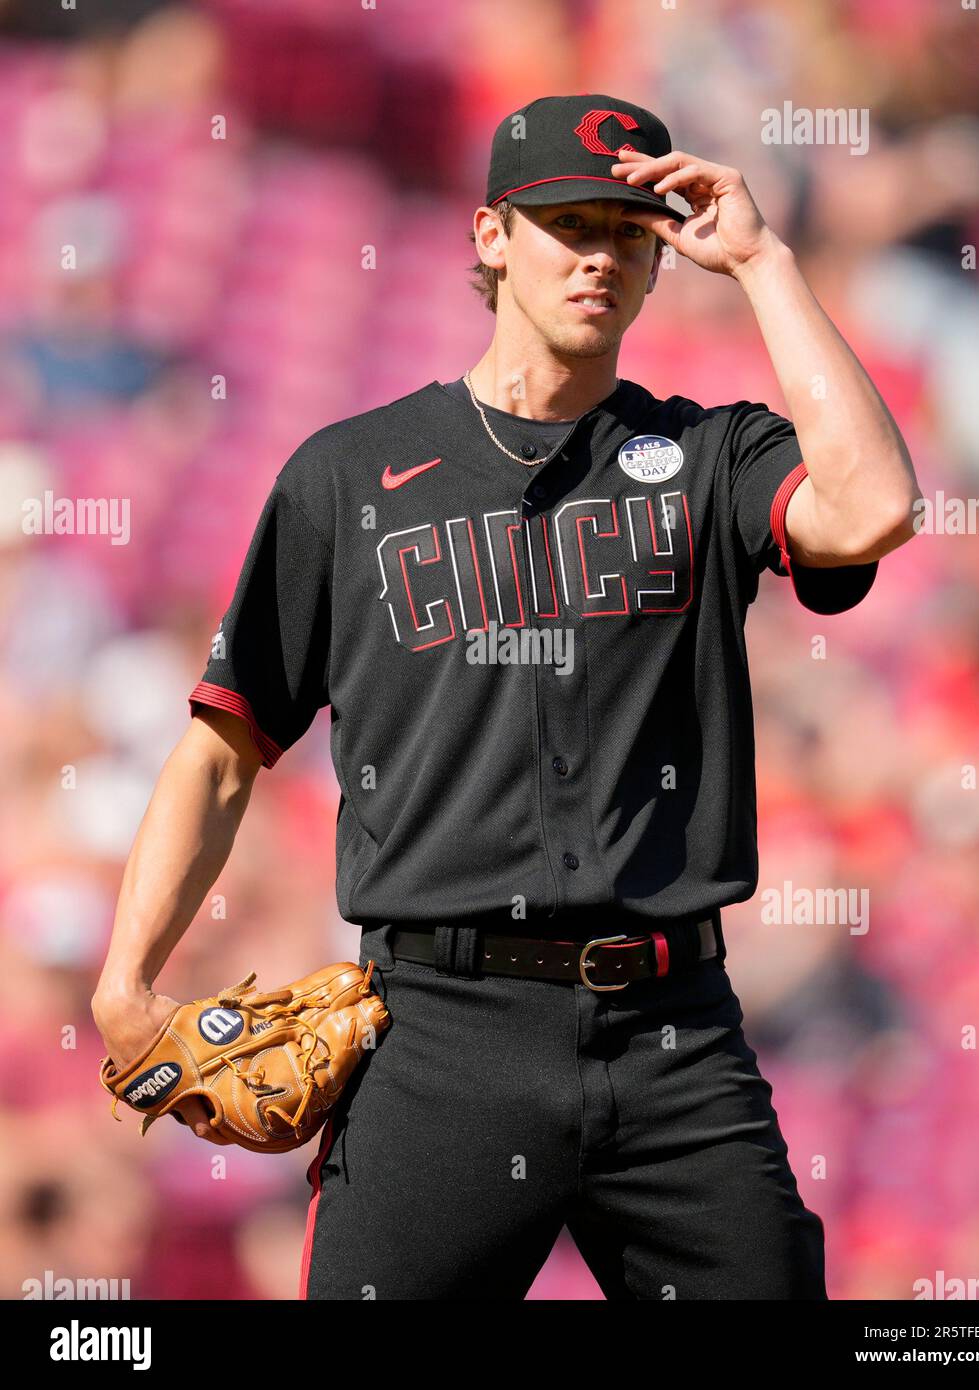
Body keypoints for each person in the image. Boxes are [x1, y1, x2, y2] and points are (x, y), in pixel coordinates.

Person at [92, 94, 922, 1300]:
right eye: (563, 221)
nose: (597, 252)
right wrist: (125, 984)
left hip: (671, 1032)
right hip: (440, 1031)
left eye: (627, 230)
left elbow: (871, 508)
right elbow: (223, 750)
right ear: (490, 237)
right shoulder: (345, 478)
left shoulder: (707, 457)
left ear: (656, 259)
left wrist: (760, 261)